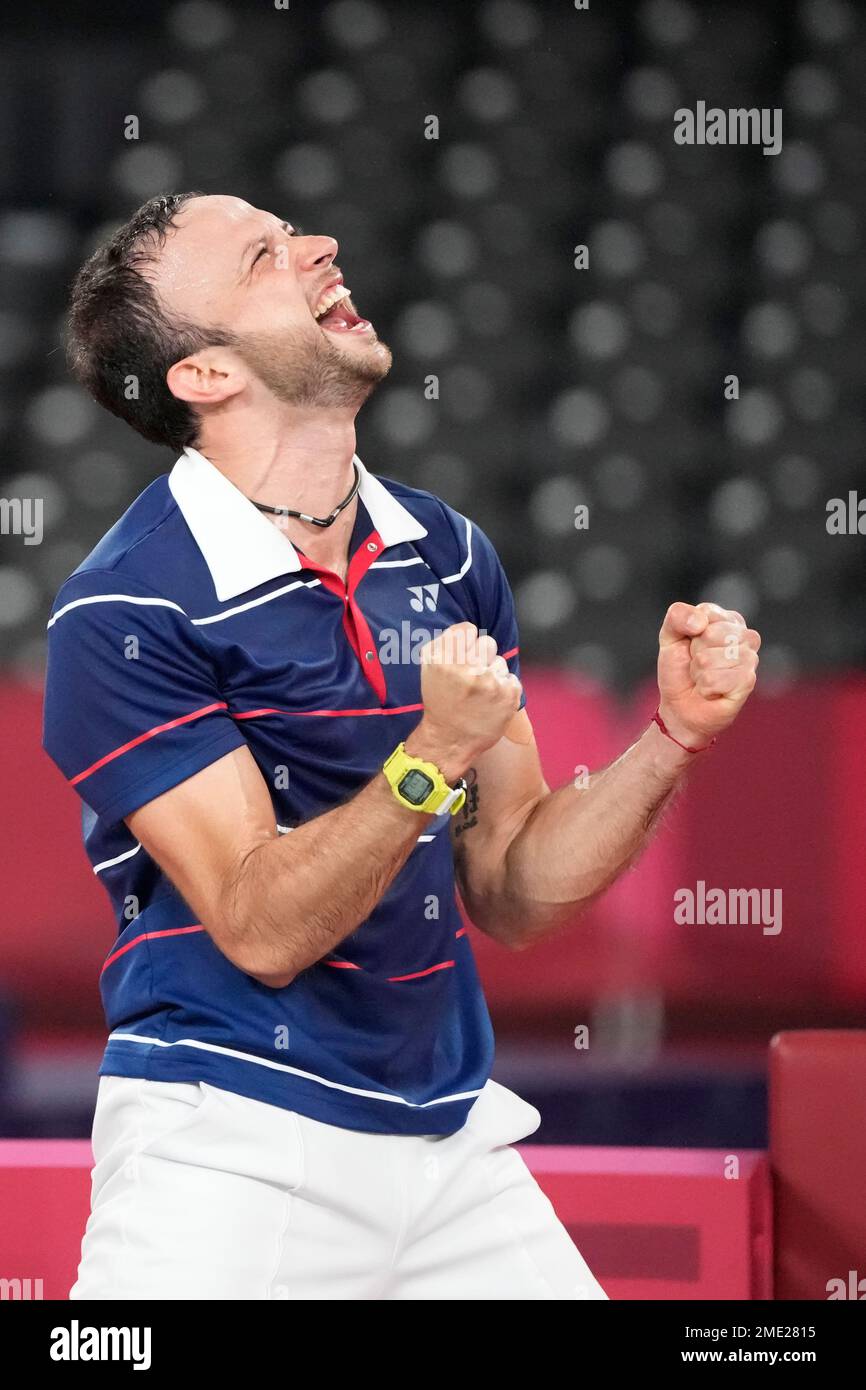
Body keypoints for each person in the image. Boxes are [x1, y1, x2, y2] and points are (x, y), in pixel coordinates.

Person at [43, 193, 761, 1299]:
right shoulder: (127, 610)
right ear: (203, 375)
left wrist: (672, 737)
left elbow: (512, 886)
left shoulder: (443, 549)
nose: (321, 245)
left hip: (446, 1139)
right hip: (231, 1141)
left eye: (299, 233)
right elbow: (259, 926)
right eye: (264, 257)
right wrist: (430, 754)